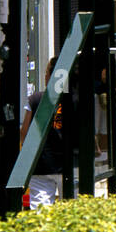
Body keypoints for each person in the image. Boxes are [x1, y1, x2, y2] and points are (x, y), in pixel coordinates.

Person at [19, 57, 68, 208]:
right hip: (69, 164)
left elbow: (24, 132)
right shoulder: (72, 99)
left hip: (41, 164)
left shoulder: (35, 99)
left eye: (47, 72)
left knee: (41, 212)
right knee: (72, 210)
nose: (45, 75)